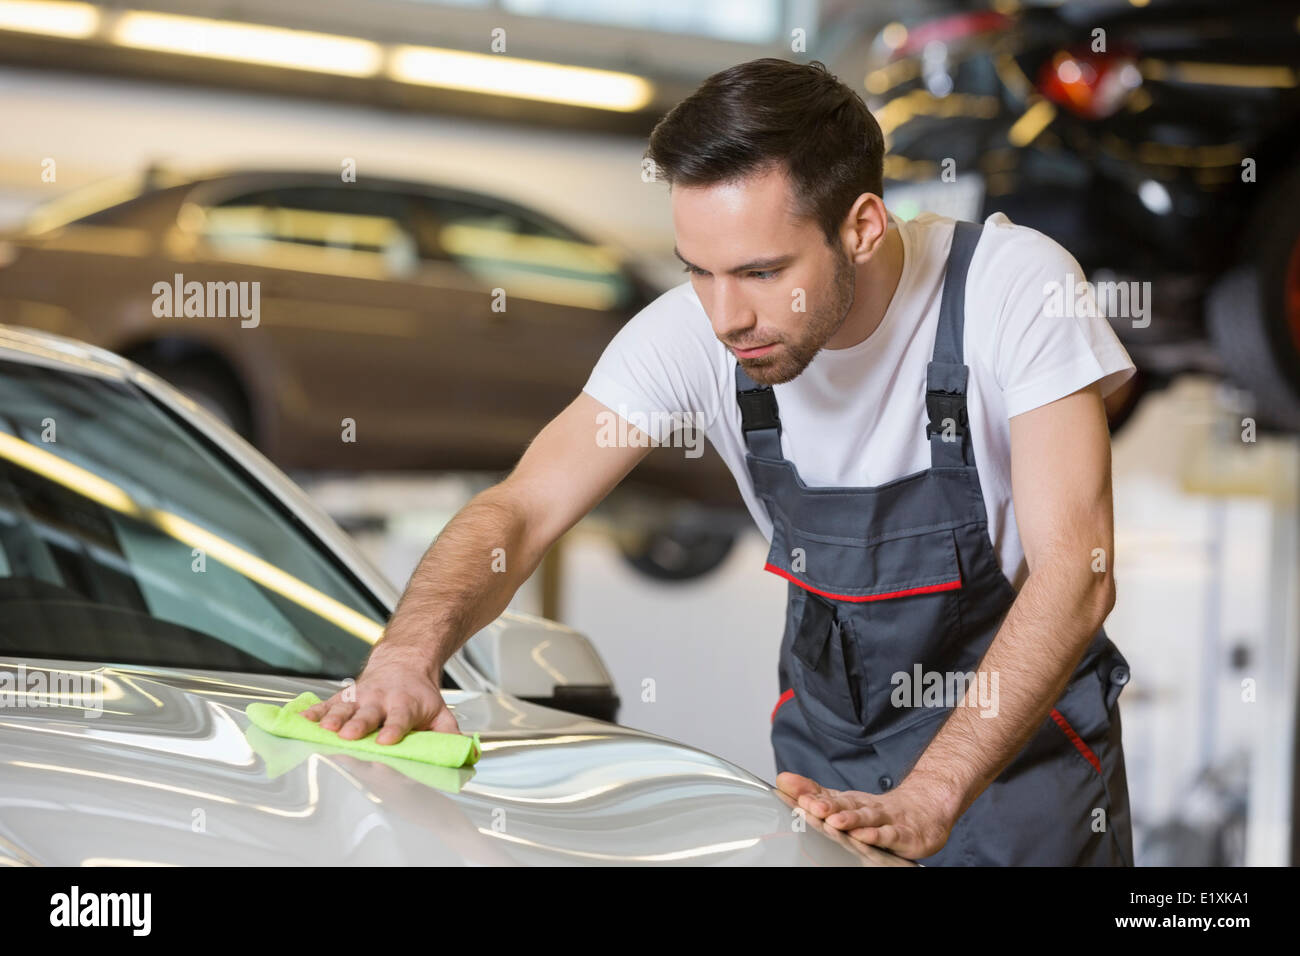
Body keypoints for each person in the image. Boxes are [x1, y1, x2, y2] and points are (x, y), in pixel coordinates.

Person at [303, 57, 1137, 865]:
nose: (726, 316)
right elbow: (519, 512)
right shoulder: (695, 332)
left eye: (762, 272)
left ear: (863, 226)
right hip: (830, 773)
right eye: (697, 271)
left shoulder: (1010, 291)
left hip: (1021, 773)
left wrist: (931, 794)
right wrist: (406, 658)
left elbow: (1078, 573)